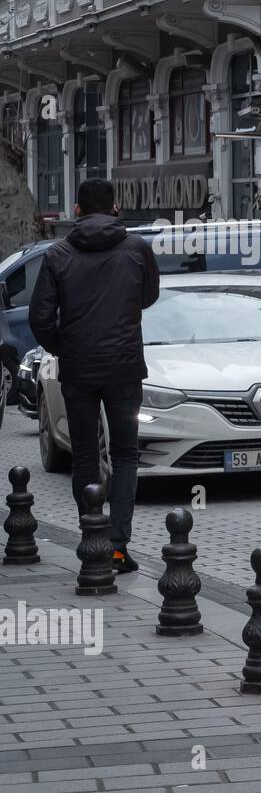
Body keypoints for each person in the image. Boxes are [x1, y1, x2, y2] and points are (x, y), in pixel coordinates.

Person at [29, 178, 160, 573]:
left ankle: (92, 536)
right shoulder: (137, 249)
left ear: (77, 209)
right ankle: (118, 547)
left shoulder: (58, 254)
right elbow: (149, 297)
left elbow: (39, 318)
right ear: (116, 207)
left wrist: (64, 347)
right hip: (123, 368)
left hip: (79, 370)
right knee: (124, 455)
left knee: (85, 454)